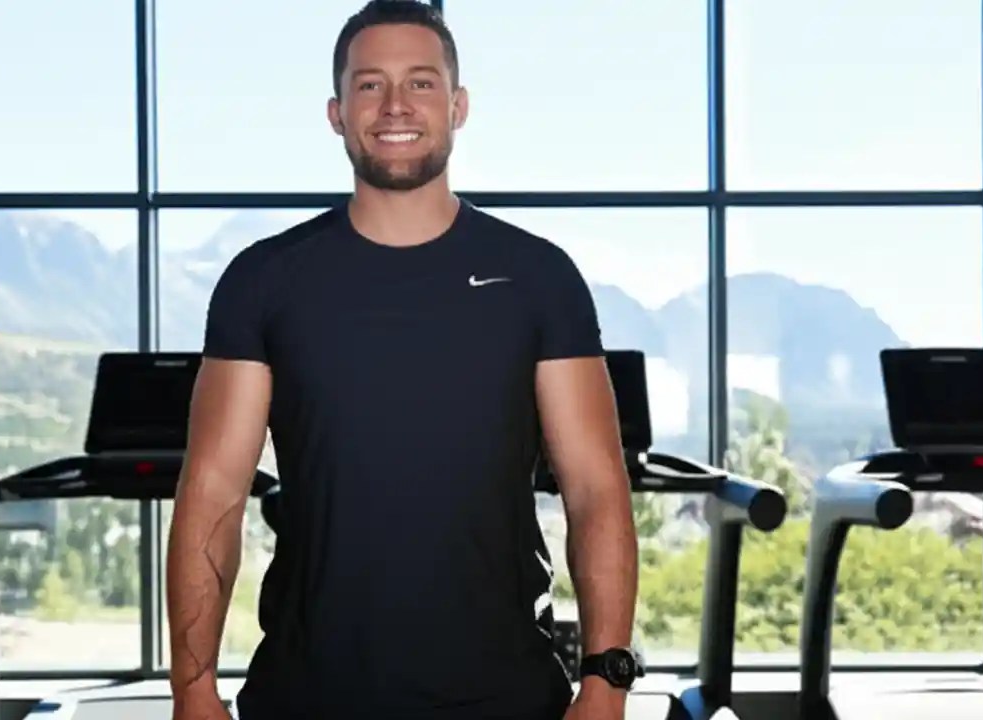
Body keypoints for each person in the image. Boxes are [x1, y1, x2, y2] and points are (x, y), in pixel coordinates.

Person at [165, 1, 640, 718]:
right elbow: (213, 494)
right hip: (307, 698)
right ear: (335, 112)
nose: (394, 105)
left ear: (458, 106)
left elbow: (596, 490)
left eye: (420, 83)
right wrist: (192, 689)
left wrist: (605, 681)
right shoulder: (263, 281)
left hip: (506, 698)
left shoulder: (540, 278)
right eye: (369, 84)